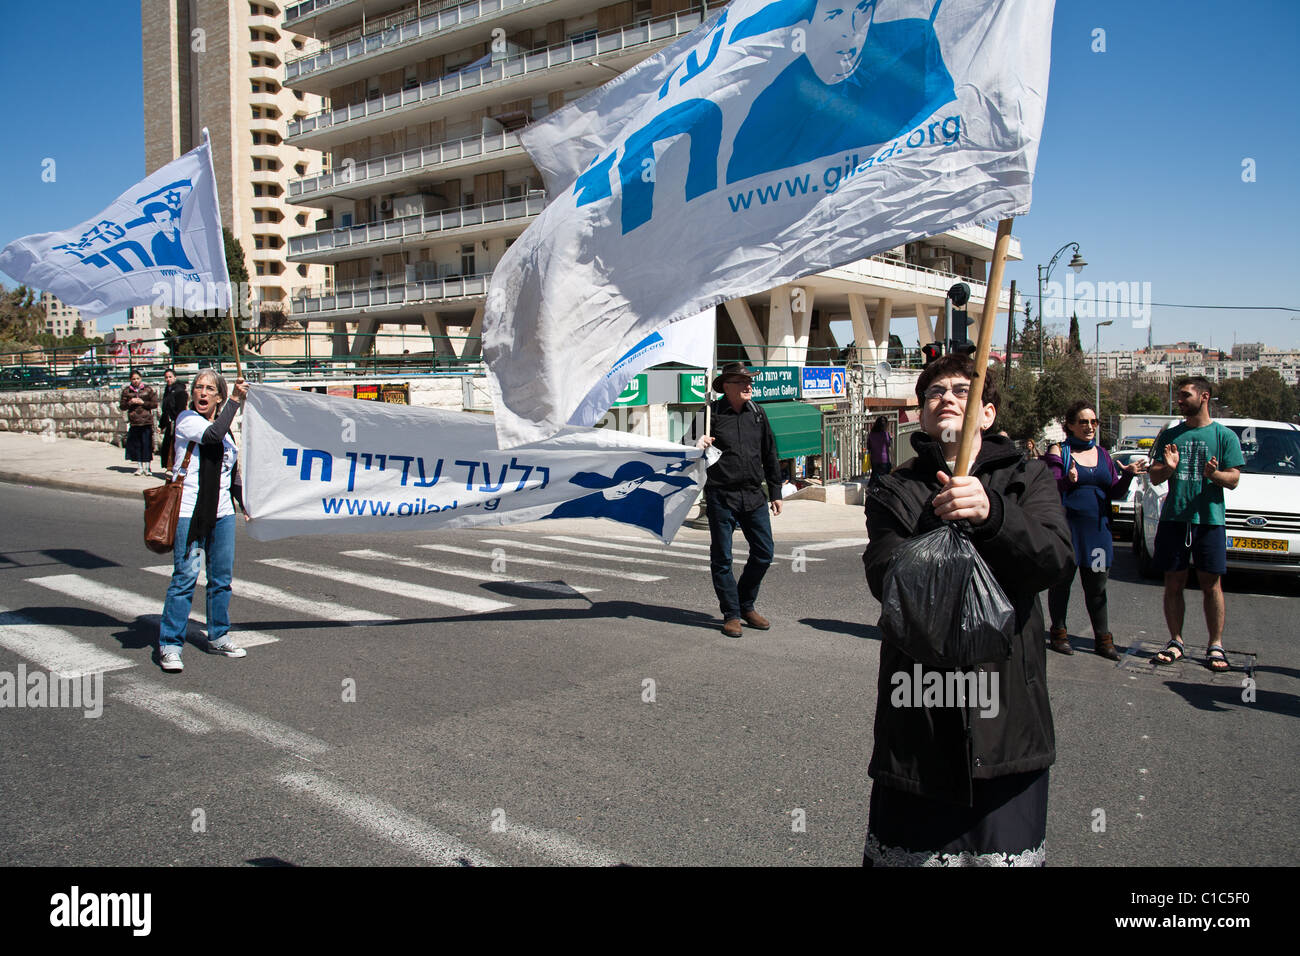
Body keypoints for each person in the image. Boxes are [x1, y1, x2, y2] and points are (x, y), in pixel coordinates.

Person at [862, 354, 1072, 866]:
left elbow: (1053, 562)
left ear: (988, 413)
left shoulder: (1029, 479)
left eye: (962, 390)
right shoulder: (894, 488)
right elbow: (887, 579)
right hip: (919, 718)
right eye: (935, 392)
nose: (948, 398)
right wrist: (946, 525)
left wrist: (993, 516)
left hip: (1006, 720)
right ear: (922, 412)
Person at [156, 370, 250, 673]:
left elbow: (230, 473)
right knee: (185, 578)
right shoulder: (187, 420)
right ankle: (170, 644)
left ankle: (218, 635)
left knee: (221, 579)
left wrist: (244, 505)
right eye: (199, 387)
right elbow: (211, 436)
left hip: (222, 513)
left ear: (217, 396)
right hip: (190, 511)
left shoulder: (225, 428)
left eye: (210, 388)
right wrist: (236, 401)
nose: (203, 392)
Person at [1148, 377, 1243, 673]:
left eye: (1185, 395)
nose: (1179, 400)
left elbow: (1235, 479)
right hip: (1175, 519)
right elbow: (1153, 476)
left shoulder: (1224, 436)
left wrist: (1214, 476)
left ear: (1204, 397)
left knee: (1211, 584)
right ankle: (1175, 641)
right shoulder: (1170, 435)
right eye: (1178, 395)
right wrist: (1169, 468)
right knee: (1173, 582)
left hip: (1209, 521)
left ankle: (1216, 644)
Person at [1042, 402, 1146, 659]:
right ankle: (1058, 633)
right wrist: (1068, 480)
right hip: (1066, 530)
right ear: (1070, 425)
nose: (1089, 427)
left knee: (1097, 586)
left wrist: (1129, 476)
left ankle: (1103, 639)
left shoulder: (1103, 455)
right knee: (1061, 584)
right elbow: (1049, 487)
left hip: (1097, 533)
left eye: (1093, 422)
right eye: (1083, 422)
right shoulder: (1059, 451)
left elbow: (1114, 492)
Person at [695, 363, 783, 638]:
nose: (749, 386)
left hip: (754, 494)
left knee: (764, 552)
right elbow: (685, 447)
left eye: (750, 382)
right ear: (727, 386)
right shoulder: (709, 414)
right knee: (722, 557)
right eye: (743, 382)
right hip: (721, 495)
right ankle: (731, 613)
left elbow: (770, 453)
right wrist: (696, 442)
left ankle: (745, 604)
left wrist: (776, 492)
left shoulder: (757, 413)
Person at [119, 368, 158, 476]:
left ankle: (147, 467)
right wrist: (130, 402)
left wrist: (143, 402)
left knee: (147, 444)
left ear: (141, 379)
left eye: (137, 378)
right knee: (137, 445)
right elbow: (122, 406)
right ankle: (139, 467)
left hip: (146, 421)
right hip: (134, 421)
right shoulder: (127, 391)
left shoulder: (148, 389)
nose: (135, 381)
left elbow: (154, 404)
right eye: (133, 379)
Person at [158, 368, 188, 477]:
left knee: (175, 445)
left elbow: (180, 408)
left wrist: (176, 420)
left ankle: (175, 467)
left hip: (177, 422)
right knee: (168, 445)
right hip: (169, 422)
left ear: (174, 377)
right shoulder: (168, 390)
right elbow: (165, 409)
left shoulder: (179, 390)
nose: (168, 379)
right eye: (166, 377)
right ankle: (169, 467)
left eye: (170, 377)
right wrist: (162, 424)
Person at [866, 416, 892, 490]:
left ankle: (871, 489)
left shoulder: (871, 434)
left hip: (874, 459)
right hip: (884, 460)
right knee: (884, 478)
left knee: (874, 474)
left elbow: (869, 446)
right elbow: (888, 443)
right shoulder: (885, 434)